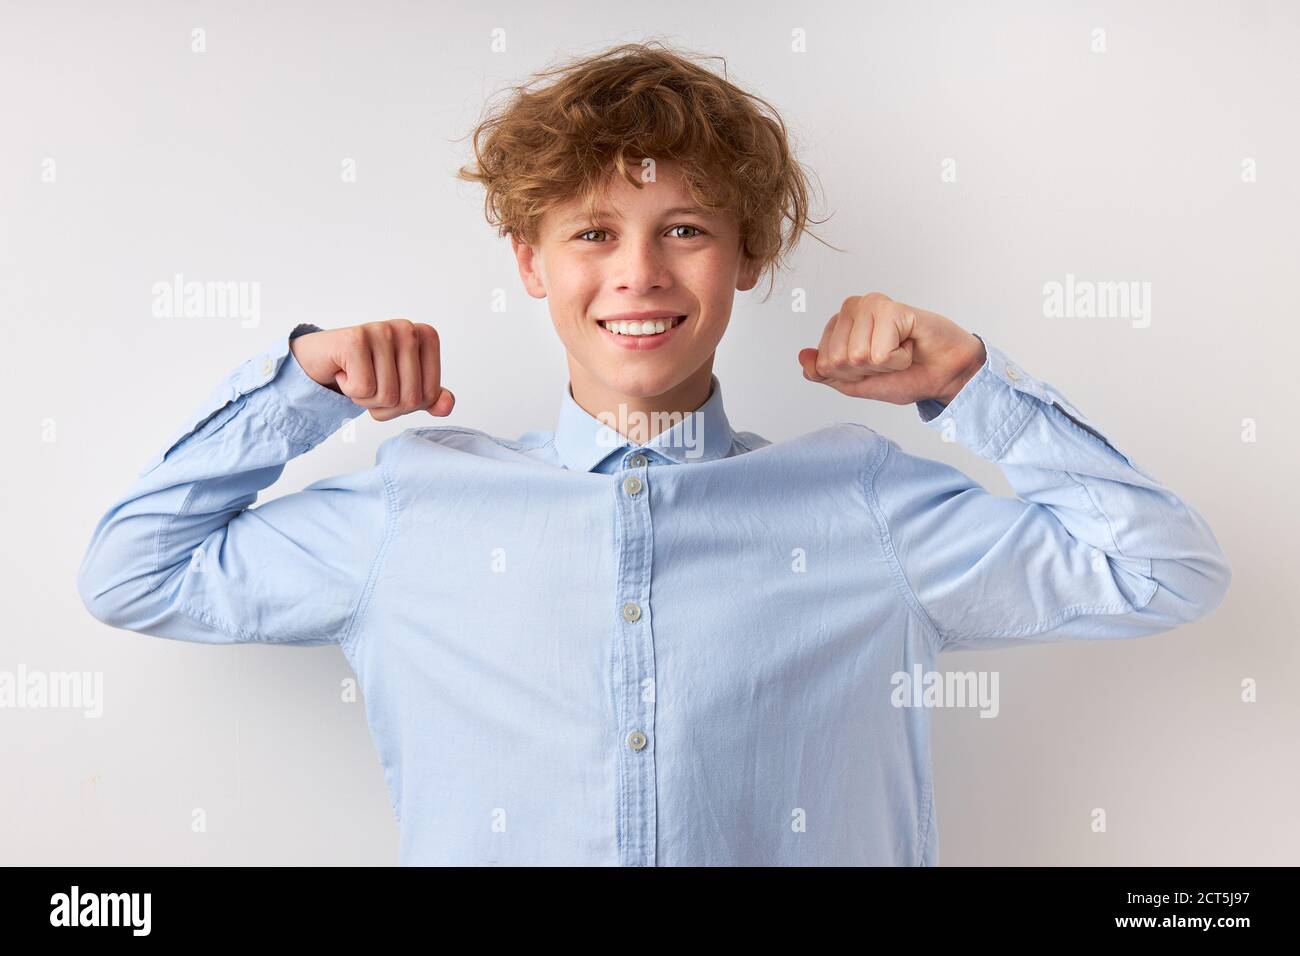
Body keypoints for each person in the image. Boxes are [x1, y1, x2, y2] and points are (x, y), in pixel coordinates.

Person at [76, 41, 1231, 866]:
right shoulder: (415, 507)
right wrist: (296, 390)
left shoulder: (863, 501)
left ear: (745, 260)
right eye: (592, 232)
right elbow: (134, 572)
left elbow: (1164, 570)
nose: (637, 271)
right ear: (532, 263)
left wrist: (975, 387)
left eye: (684, 228)